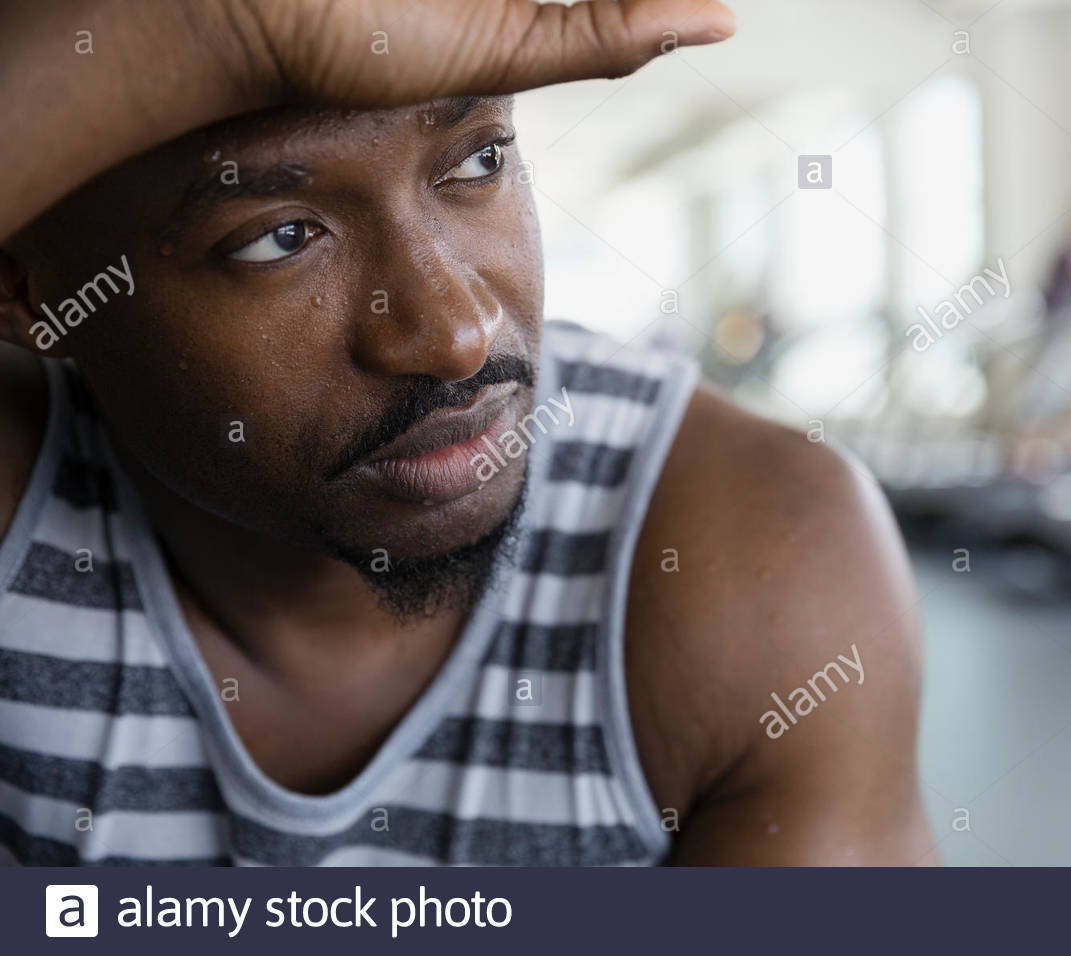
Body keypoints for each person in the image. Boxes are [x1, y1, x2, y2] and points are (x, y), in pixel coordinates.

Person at [0, 0, 931, 865]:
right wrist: (234, 30)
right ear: (22, 287)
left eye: (477, 160)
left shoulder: (762, 552)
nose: (454, 335)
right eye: (279, 236)